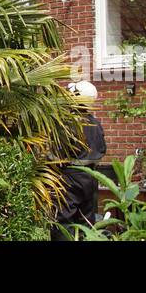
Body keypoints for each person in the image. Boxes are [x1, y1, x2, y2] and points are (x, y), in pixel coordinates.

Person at [53, 81, 106, 239]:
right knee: (86, 220)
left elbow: (56, 154)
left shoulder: (67, 125)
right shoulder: (96, 124)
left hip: (69, 177)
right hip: (91, 177)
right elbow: (102, 149)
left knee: (62, 220)